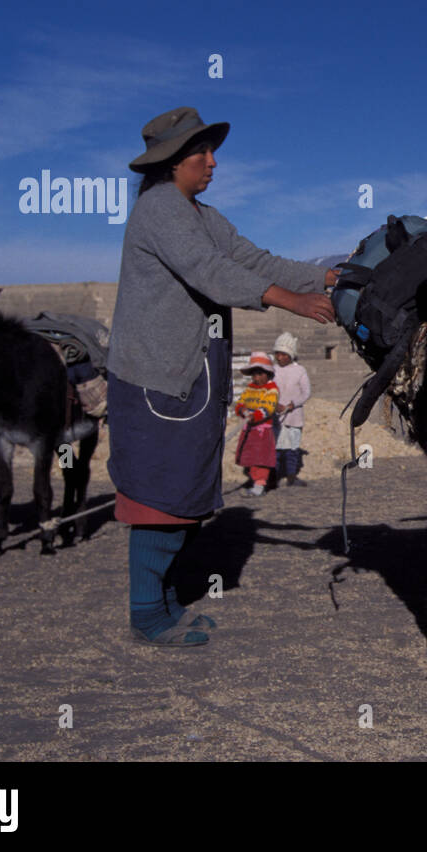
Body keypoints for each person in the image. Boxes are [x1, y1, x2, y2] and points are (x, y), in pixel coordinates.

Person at [108, 106, 337, 647]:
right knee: (160, 492)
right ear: (171, 162)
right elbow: (210, 272)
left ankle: (162, 600)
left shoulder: (202, 215)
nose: (212, 163)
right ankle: (146, 613)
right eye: (201, 153)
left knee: (182, 486)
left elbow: (252, 259)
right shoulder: (159, 209)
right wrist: (291, 302)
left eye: (212, 152)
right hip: (157, 376)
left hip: (190, 375)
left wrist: (326, 275)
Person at [234, 352, 280, 496]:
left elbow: (268, 407)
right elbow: (241, 402)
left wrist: (254, 415)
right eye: (254, 375)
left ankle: (260, 484)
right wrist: (242, 410)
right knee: (251, 457)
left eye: (260, 374)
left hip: (262, 431)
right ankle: (255, 480)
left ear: (268, 374)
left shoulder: (272, 389)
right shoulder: (250, 388)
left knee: (261, 458)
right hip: (249, 429)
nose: (256, 378)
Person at [271, 331, 311, 487]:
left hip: (294, 416)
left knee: (292, 448)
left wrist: (292, 404)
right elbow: (267, 390)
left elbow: (306, 392)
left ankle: (291, 476)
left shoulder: (300, 371)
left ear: (290, 355)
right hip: (276, 416)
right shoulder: (272, 370)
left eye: (283, 354)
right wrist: (275, 405)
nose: (280, 358)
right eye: (277, 354)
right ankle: (274, 477)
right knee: (276, 448)